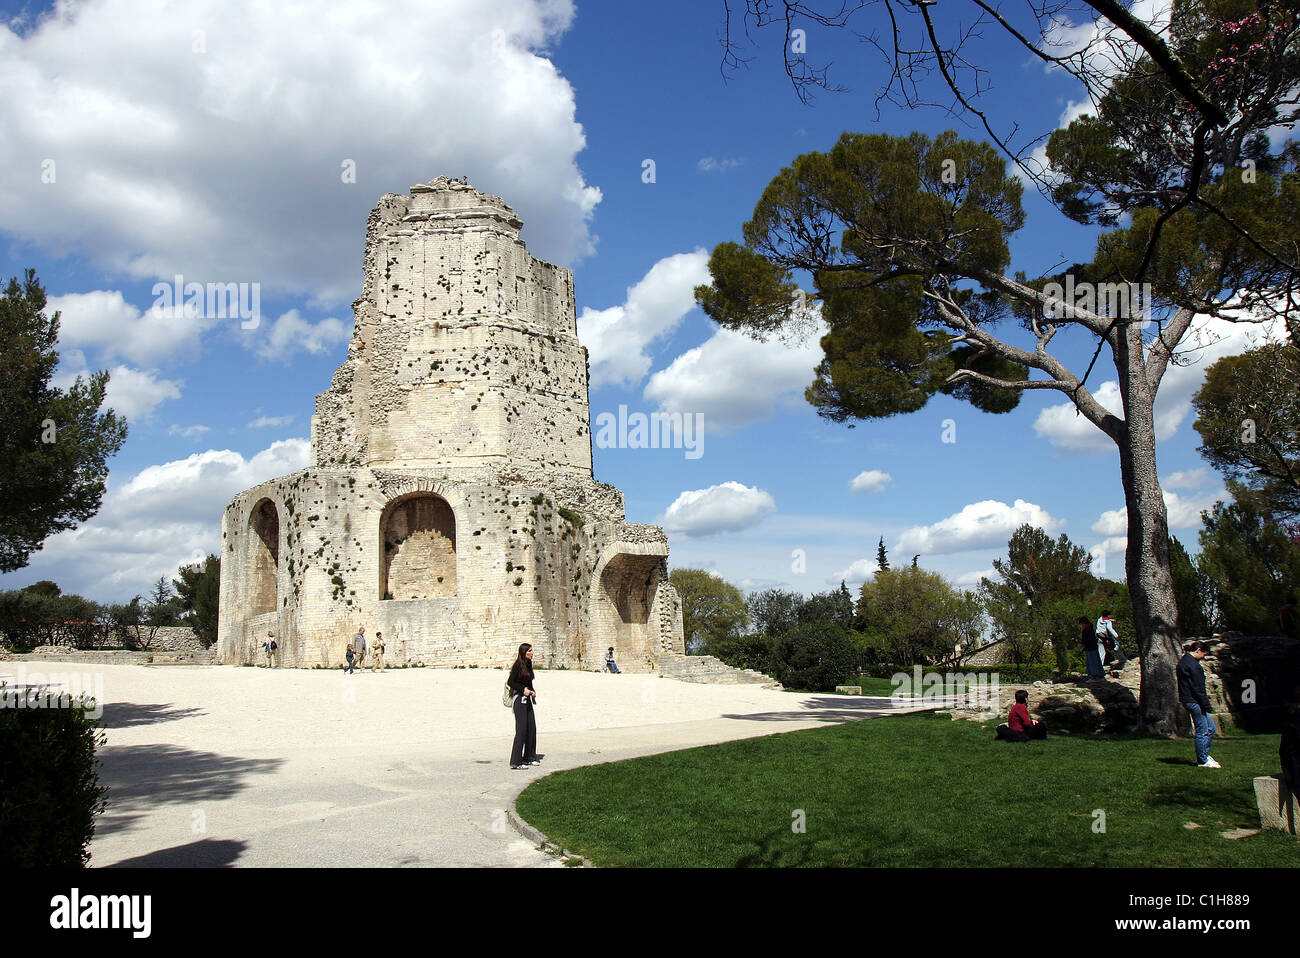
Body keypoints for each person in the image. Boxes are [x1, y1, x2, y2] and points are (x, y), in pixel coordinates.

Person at [1177, 641, 1219, 768]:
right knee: (1203, 730)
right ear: (1199, 650)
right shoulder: (1193, 666)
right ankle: (1202, 760)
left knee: (1211, 728)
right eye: (1203, 655)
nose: (1203, 658)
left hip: (1189, 699)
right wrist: (1206, 705)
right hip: (1194, 701)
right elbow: (1198, 688)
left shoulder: (1184, 661)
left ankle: (1204, 754)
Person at [507, 643, 540, 769]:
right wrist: (522, 690)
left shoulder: (528, 664)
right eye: (530, 651)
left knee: (532, 728)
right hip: (519, 700)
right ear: (524, 652)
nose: (532, 653)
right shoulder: (517, 666)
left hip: (527, 699)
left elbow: (529, 681)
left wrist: (532, 691)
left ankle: (529, 757)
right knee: (521, 730)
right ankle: (516, 761)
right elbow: (511, 682)